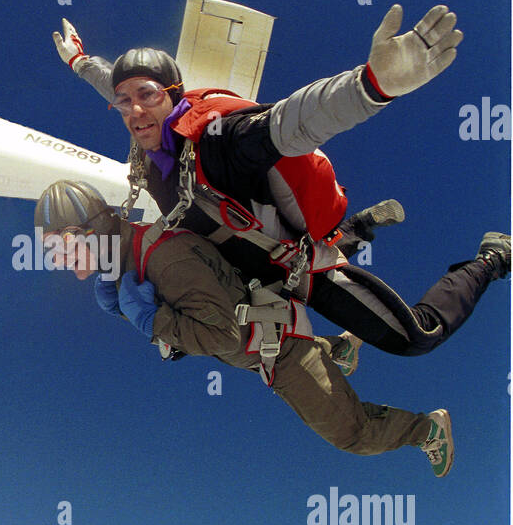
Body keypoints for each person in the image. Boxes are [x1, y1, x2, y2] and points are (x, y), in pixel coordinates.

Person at [53, 9, 510, 368]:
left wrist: (371, 86)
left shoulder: (220, 142)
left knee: (415, 339)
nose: (135, 110)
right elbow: (113, 85)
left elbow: (293, 121)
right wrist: (81, 62)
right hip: (249, 275)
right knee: (212, 323)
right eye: (124, 102)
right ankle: (358, 230)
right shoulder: (150, 153)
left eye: (148, 94)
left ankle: (491, 258)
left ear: (173, 93)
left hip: (302, 272)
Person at [35, 180, 455, 475]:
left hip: (282, 349)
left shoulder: (163, 260)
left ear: (92, 230)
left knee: (350, 434)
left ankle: (426, 429)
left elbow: (225, 336)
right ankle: (338, 348)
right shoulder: (137, 258)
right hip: (265, 338)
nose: (56, 261)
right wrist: (139, 314)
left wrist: (153, 322)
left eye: (60, 246)